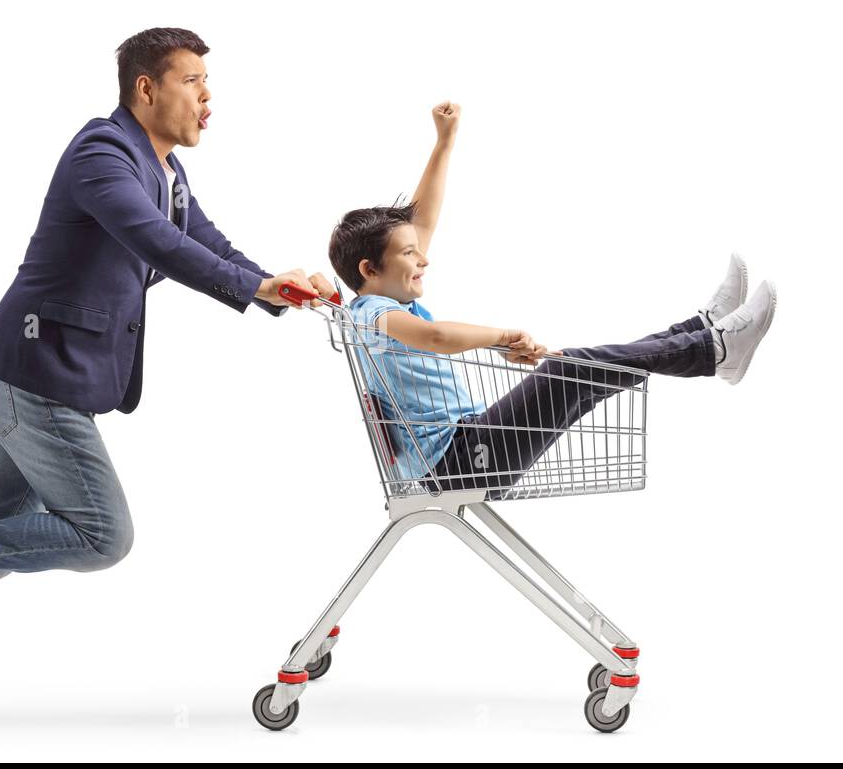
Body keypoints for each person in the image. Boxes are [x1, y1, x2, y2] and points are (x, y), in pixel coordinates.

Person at [0, 27, 335, 726]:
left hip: (49, 377)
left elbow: (201, 240)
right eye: (192, 81)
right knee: (101, 536)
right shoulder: (102, 155)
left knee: (1, 540)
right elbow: (155, 240)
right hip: (33, 377)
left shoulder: (166, 169)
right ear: (145, 88)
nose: (207, 96)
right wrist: (251, 289)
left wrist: (269, 284)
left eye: (207, 84)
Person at [325, 101, 776, 494]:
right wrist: (502, 336)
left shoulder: (384, 301)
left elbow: (419, 223)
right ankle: (710, 351)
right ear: (370, 270)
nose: (424, 259)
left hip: (468, 449)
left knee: (577, 371)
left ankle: (700, 333)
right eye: (409, 254)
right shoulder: (372, 315)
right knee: (570, 369)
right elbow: (437, 337)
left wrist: (444, 141)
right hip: (460, 463)